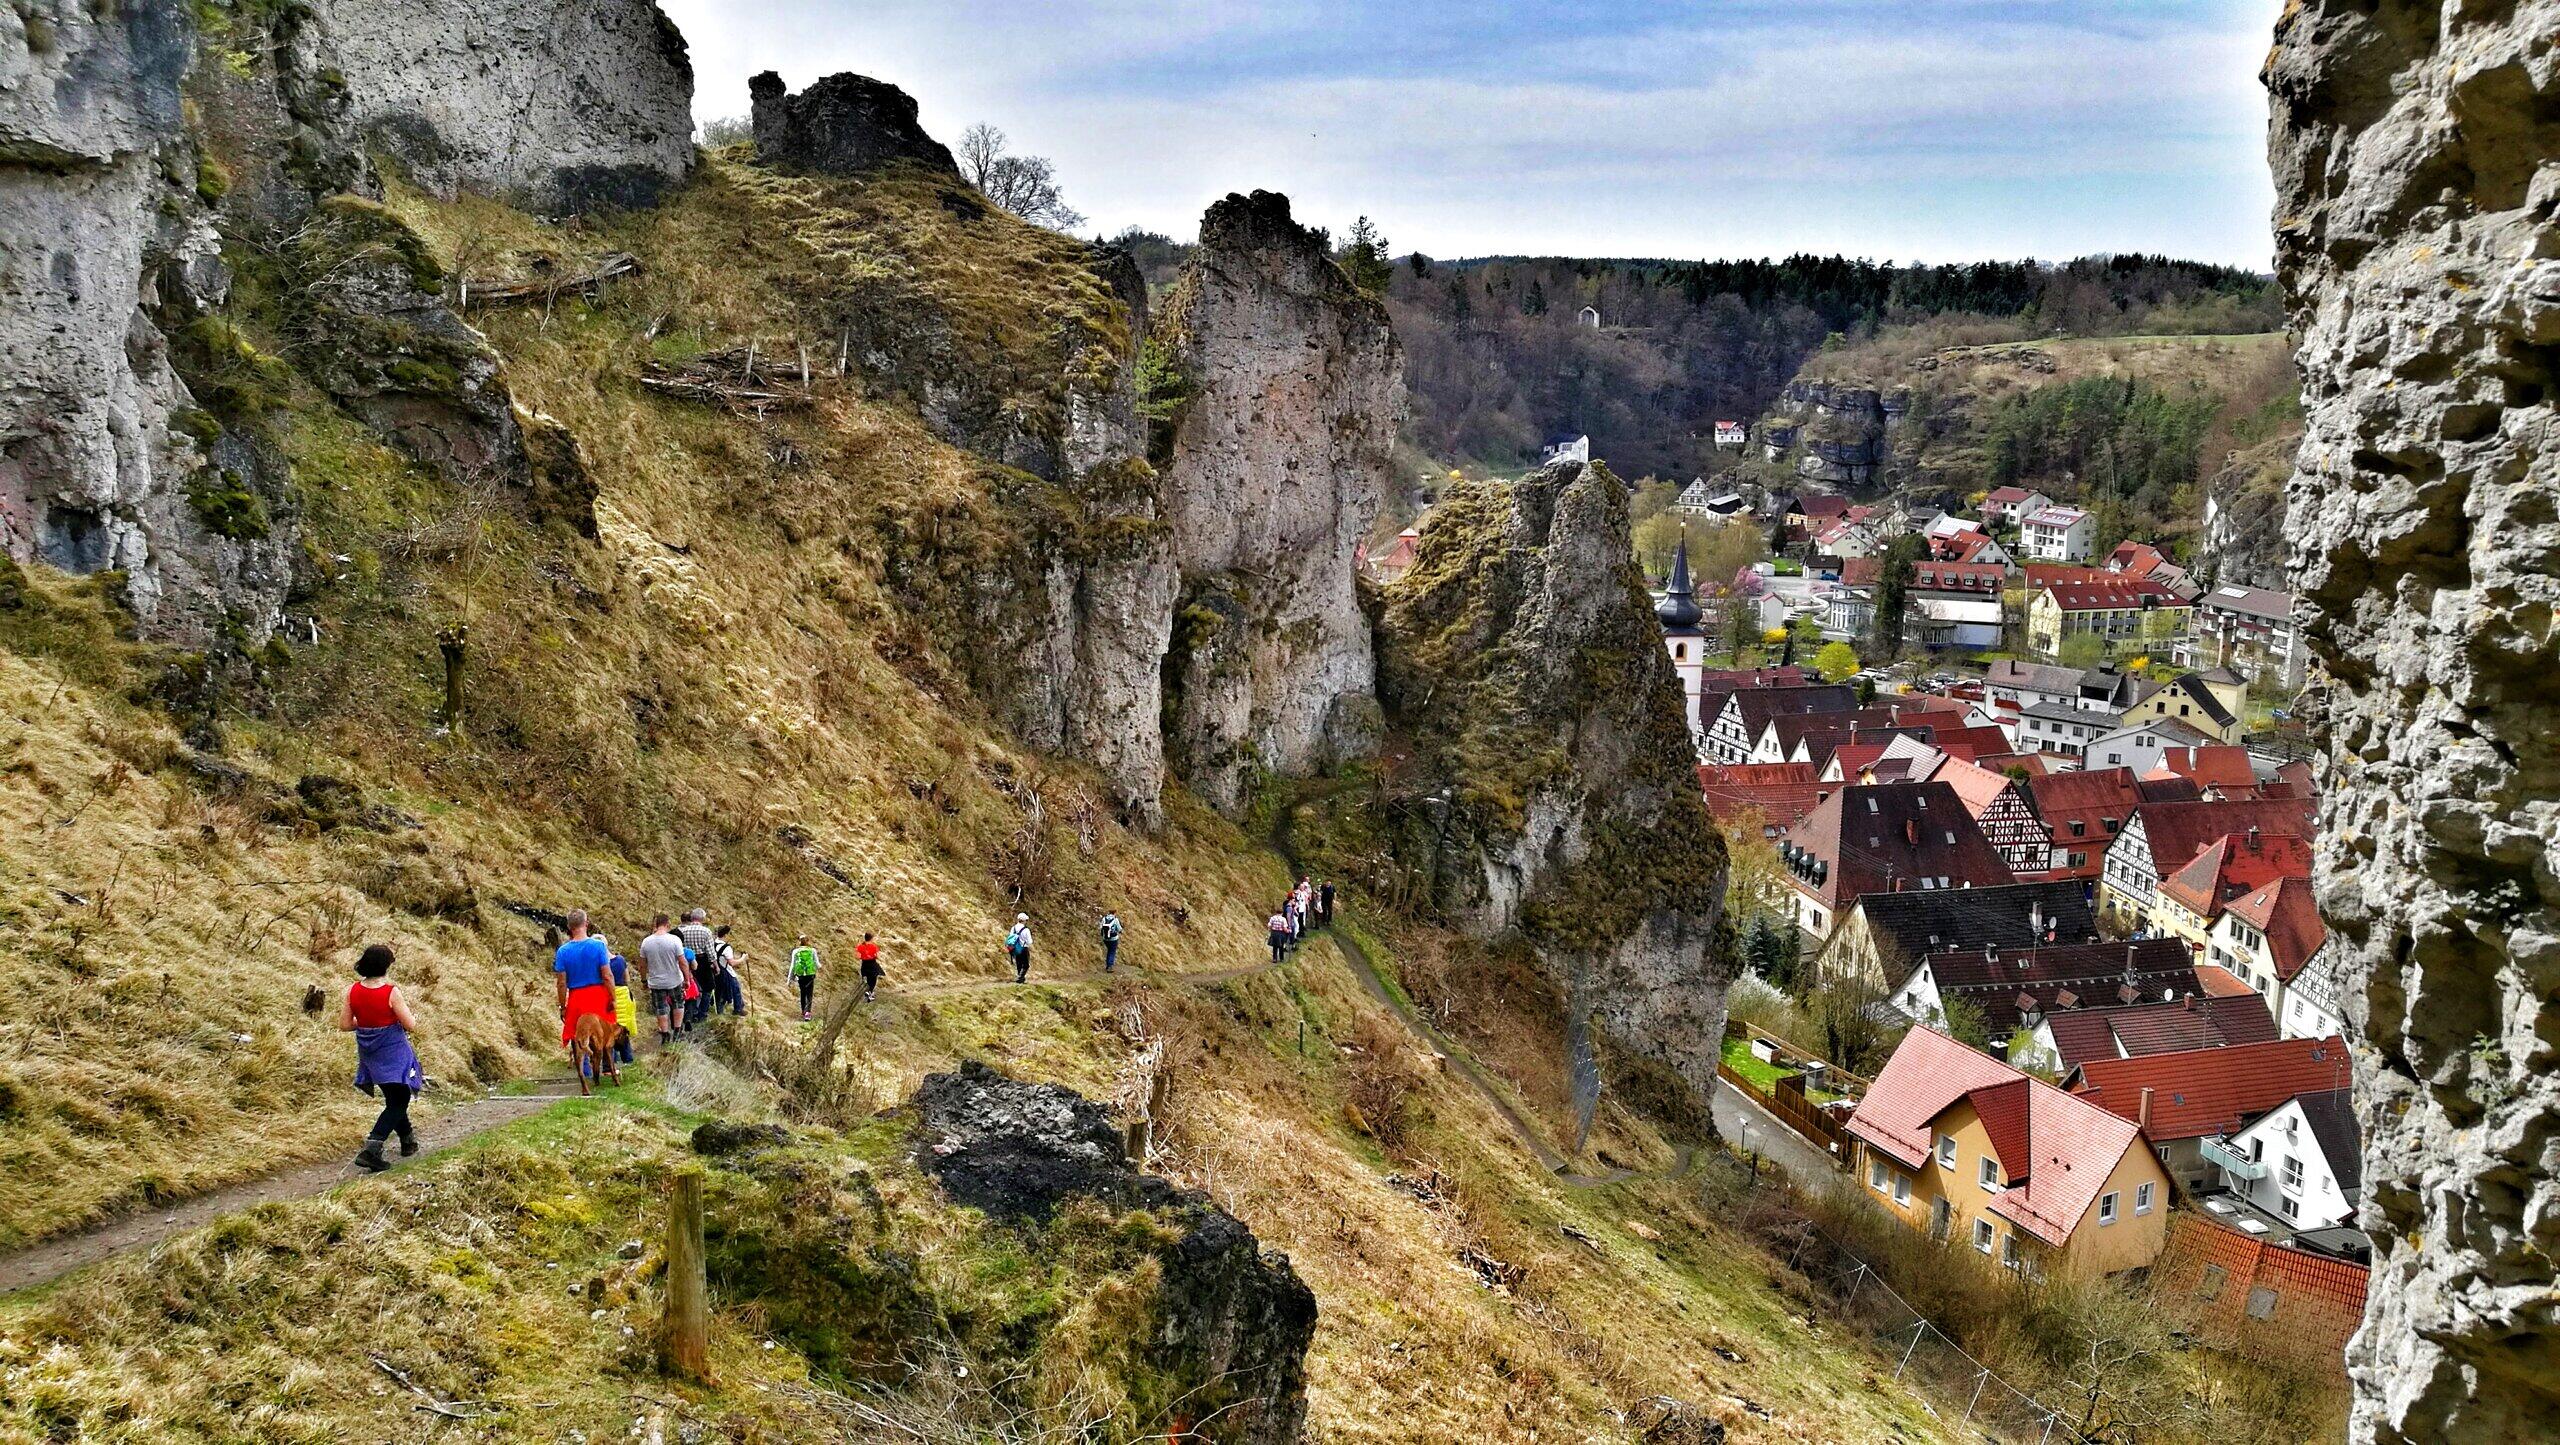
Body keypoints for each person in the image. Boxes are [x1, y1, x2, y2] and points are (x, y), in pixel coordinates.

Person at [339, 942, 422, 1172]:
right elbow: (410, 1025)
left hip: (370, 1053)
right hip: (393, 1051)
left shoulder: (353, 991)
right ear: (386, 966)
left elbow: (345, 1024)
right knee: (400, 1099)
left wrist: (368, 1023)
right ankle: (372, 1149)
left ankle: (408, 1141)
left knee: (393, 1098)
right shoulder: (391, 992)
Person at [554, 909, 618, 1072]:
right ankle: (607, 1067)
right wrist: (613, 998)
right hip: (598, 995)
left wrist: (563, 1006)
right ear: (586, 924)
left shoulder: (563, 951)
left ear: (569, 927)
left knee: (579, 1033)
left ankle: (585, 1069)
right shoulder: (598, 946)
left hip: (576, 997)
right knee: (605, 1030)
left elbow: (561, 983)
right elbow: (607, 975)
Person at [640, 915, 688, 1045]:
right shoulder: (674, 940)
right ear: (667, 924)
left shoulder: (646, 942)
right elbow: (682, 962)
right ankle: (677, 1030)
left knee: (660, 1008)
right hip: (674, 980)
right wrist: (687, 979)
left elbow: (642, 964)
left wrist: (644, 980)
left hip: (656, 982)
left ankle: (665, 1034)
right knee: (678, 1004)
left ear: (656, 925)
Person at [679, 909, 718, 1028]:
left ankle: (689, 1013)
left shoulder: (683, 931)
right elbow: (710, 952)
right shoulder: (706, 931)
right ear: (702, 918)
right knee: (707, 988)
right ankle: (702, 1014)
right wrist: (715, 965)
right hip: (702, 960)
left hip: (686, 960)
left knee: (690, 986)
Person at [607, 950, 637, 1064]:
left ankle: (613, 1059)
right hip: (624, 995)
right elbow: (627, 978)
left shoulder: (601, 963)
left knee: (610, 1029)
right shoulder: (620, 960)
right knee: (623, 1029)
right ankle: (628, 1058)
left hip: (610, 995)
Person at [711, 925, 747, 1016]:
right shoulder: (726, 947)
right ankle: (738, 1009)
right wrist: (743, 958)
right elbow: (732, 963)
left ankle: (718, 1008)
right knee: (735, 988)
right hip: (726, 971)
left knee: (719, 990)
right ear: (725, 935)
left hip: (715, 969)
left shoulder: (713, 943)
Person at [790, 935, 821, 1020]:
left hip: (800, 975)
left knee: (802, 993)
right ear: (808, 941)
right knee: (809, 994)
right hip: (810, 975)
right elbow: (817, 964)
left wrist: (789, 979)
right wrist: (820, 967)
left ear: (799, 942)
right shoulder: (812, 950)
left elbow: (792, 965)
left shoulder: (795, 951)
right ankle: (808, 1013)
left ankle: (803, 1011)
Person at [1005, 913, 1033, 984]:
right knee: (1026, 965)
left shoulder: (1013, 928)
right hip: (1023, 948)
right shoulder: (1026, 930)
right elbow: (1029, 941)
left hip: (1015, 948)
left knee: (1018, 964)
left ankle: (1020, 979)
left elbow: (1010, 937)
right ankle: (1020, 978)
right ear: (1024, 920)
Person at [857, 932, 883, 1002]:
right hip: (872, 965)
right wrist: (872, 956)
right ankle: (869, 993)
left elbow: (858, 957)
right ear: (871, 939)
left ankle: (868, 994)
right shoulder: (874, 947)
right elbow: (877, 956)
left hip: (864, 965)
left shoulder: (860, 946)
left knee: (868, 979)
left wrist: (864, 955)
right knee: (873, 980)